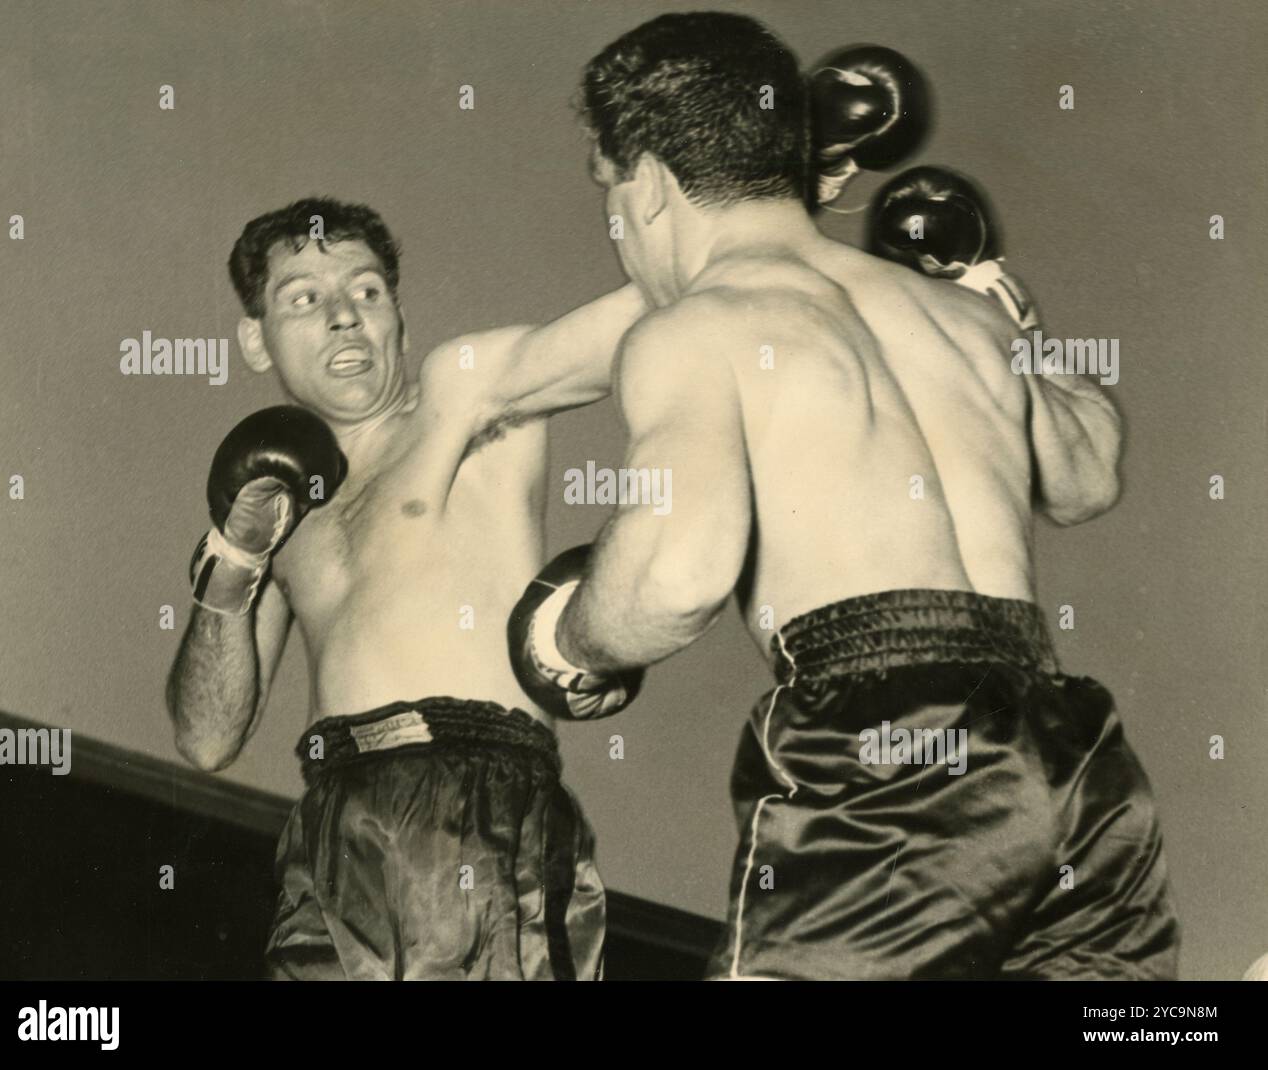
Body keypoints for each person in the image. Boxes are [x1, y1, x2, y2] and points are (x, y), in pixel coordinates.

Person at [507, 12, 1179, 980]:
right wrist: (1005, 296)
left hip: (890, 752)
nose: (616, 226)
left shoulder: (697, 325)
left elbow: (674, 579)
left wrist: (564, 643)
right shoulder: (961, 316)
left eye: (608, 193)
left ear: (647, 186)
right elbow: (1086, 477)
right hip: (1076, 751)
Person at [166, 196, 647, 980]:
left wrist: (758, 217)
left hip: (474, 799)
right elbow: (207, 738)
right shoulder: (281, 510)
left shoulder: (465, 398)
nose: (344, 317)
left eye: (366, 292)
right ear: (255, 340)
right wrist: (233, 563)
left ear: (400, 319)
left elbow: (627, 322)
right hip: (326, 825)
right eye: (304, 299)